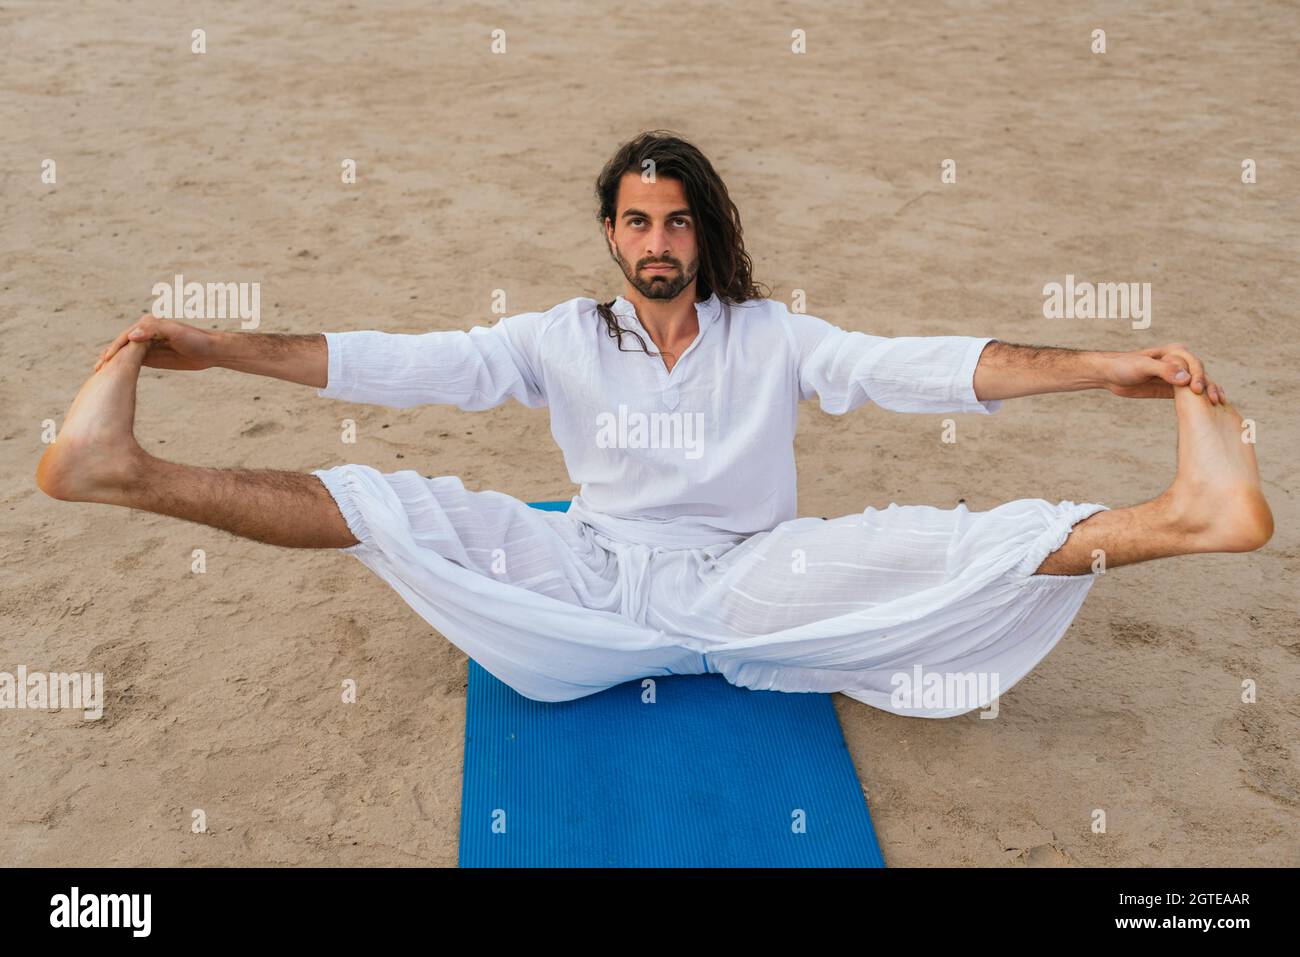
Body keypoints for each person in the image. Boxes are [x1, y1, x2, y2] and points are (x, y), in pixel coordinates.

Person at [36, 130, 1273, 717]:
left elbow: (926, 367)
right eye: (635, 223)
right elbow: (387, 363)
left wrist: (1102, 365)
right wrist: (212, 347)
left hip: (747, 581)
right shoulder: (555, 338)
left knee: (927, 541)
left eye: (676, 223)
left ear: (705, 232)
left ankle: (1187, 515)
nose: (656, 243)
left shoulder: (773, 336)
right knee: (392, 504)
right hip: (584, 574)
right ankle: (126, 472)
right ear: (610, 236)